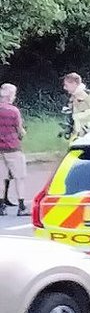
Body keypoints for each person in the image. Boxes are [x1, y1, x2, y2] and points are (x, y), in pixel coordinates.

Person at [0, 83, 26, 215]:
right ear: (10, 96)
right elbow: (19, 130)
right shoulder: (13, 111)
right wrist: (22, 134)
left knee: (1, 177)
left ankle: (1, 206)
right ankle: (21, 206)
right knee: (19, 177)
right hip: (12, 148)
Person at [61, 73, 90, 143]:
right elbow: (73, 118)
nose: (64, 87)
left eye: (66, 85)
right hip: (80, 137)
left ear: (74, 84)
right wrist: (70, 128)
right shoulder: (72, 99)